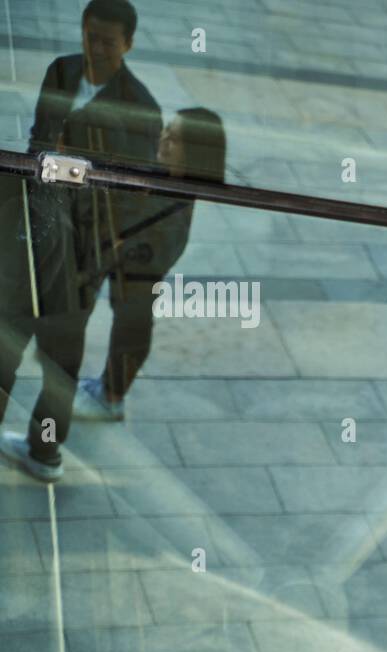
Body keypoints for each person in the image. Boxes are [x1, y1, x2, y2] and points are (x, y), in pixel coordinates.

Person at [0, 0, 160, 481]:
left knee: (57, 370)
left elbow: (129, 200)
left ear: (128, 44)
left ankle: (44, 452)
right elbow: (38, 140)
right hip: (29, 244)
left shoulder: (142, 110)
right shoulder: (62, 71)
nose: (96, 49)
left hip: (77, 263)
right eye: (91, 37)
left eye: (108, 42)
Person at [74, 107, 226, 421]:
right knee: (129, 314)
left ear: (196, 152)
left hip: (143, 260)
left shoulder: (175, 203)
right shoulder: (166, 175)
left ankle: (110, 396)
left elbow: (149, 240)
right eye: (167, 130)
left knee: (133, 317)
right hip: (133, 256)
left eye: (177, 138)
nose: (165, 138)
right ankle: (109, 390)